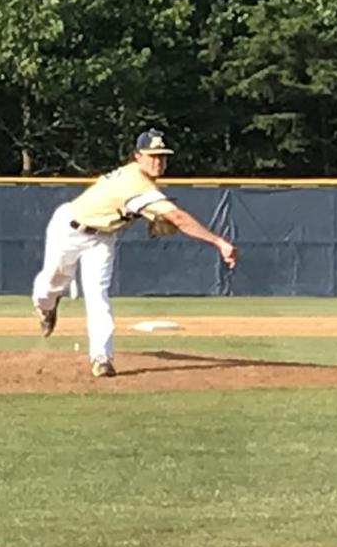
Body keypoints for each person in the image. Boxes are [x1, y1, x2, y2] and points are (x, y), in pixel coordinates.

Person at [31, 129, 238, 377]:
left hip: (103, 238)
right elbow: (177, 217)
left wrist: (154, 217)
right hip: (69, 228)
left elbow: (150, 210)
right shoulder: (135, 182)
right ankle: (46, 307)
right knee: (51, 285)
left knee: (98, 295)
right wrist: (218, 242)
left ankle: (101, 358)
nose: (158, 161)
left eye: (162, 156)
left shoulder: (142, 183)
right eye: (152, 156)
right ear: (137, 156)